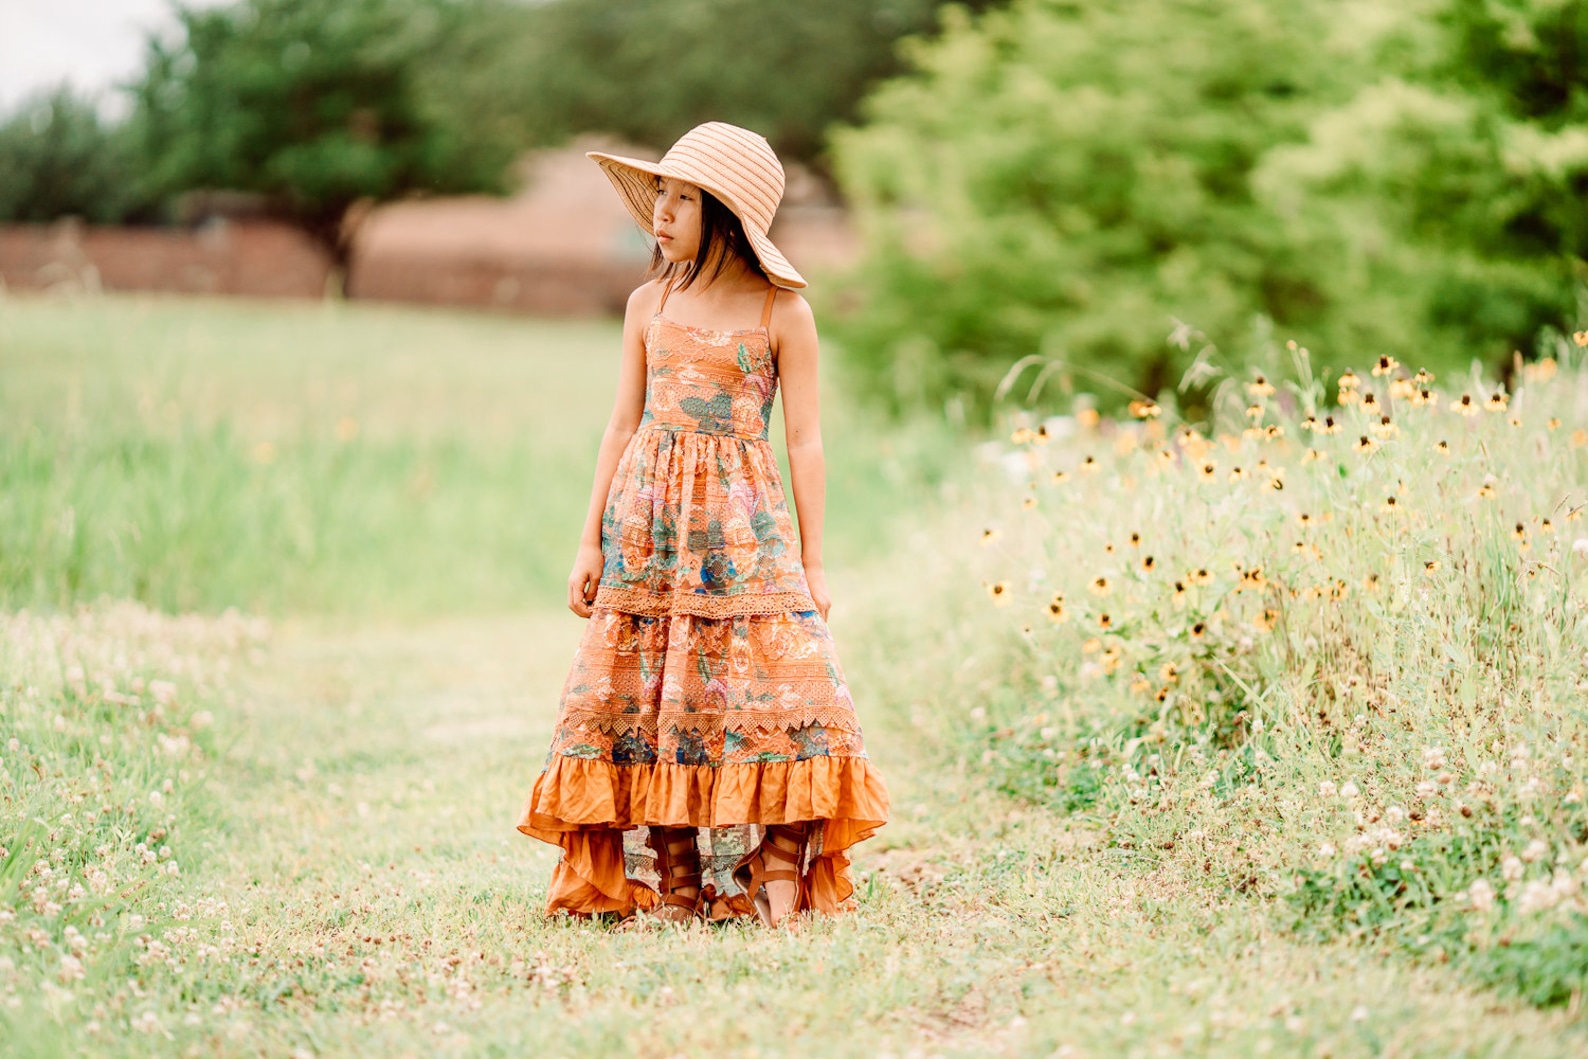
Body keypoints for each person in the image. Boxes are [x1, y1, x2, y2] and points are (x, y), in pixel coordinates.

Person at [515, 122, 889, 928]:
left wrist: (815, 564)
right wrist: (590, 538)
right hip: (649, 530)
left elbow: (806, 442)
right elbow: (621, 424)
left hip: (748, 535)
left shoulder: (782, 312)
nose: (663, 212)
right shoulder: (650, 303)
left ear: (725, 215)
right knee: (652, 696)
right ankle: (678, 875)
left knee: (806, 692)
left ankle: (781, 863)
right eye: (662, 196)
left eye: (684, 199)